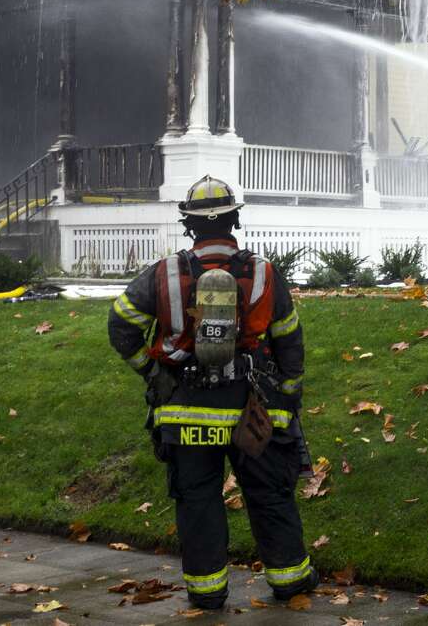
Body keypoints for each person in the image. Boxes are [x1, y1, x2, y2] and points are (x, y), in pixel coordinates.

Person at [107, 175, 317, 610]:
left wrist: (151, 371)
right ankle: (291, 582)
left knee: (198, 502)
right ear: (234, 220)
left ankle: (206, 594)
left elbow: (121, 325)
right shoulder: (262, 273)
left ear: (189, 225)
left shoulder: (163, 273)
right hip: (252, 412)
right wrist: (290, 393)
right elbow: (289, 339)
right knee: (269, 496)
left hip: (184, 414)